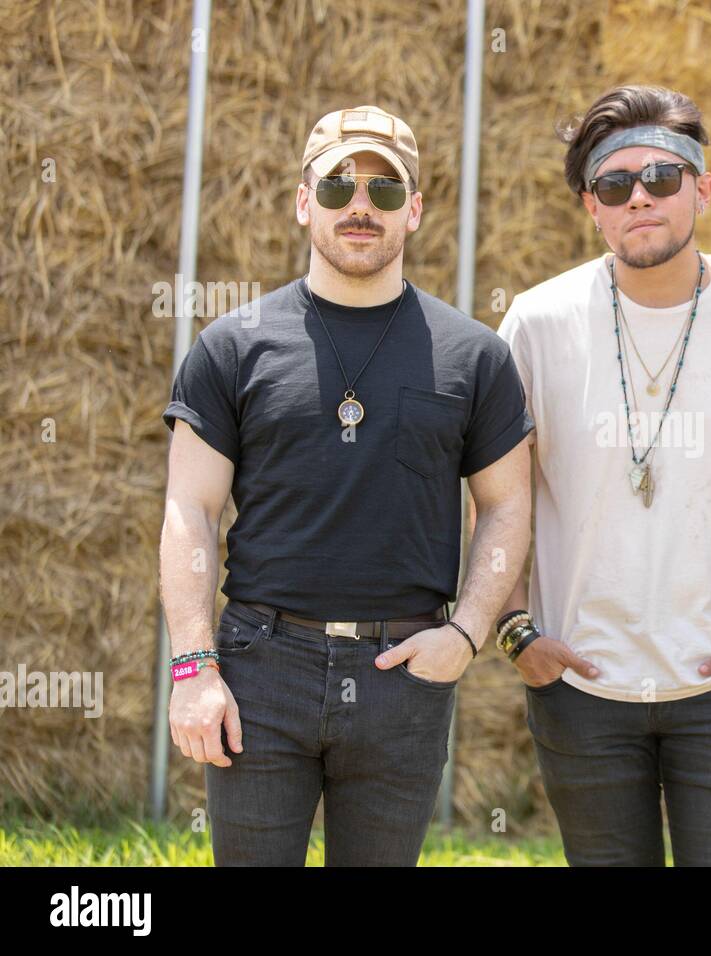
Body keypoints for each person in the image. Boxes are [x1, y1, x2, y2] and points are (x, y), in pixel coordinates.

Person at [160, 105, 533, 865]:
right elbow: (189, 510)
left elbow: (506, 506)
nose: (360, 206)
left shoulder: (476, 356)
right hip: (260, 667)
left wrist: (465, 636)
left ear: (415, 211)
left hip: (403, 672)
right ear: (304, 202)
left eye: (385, 190)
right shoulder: (232, 345)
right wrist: (194, 666)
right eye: (337, 187)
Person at [495, 84, 711, 866]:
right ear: (592, 206)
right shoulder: (535, 322)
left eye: (661, 177)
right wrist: (517, 630)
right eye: (615, 186)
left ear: (703, 188)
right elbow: (499, 495)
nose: (640, 199)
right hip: (581, 687)